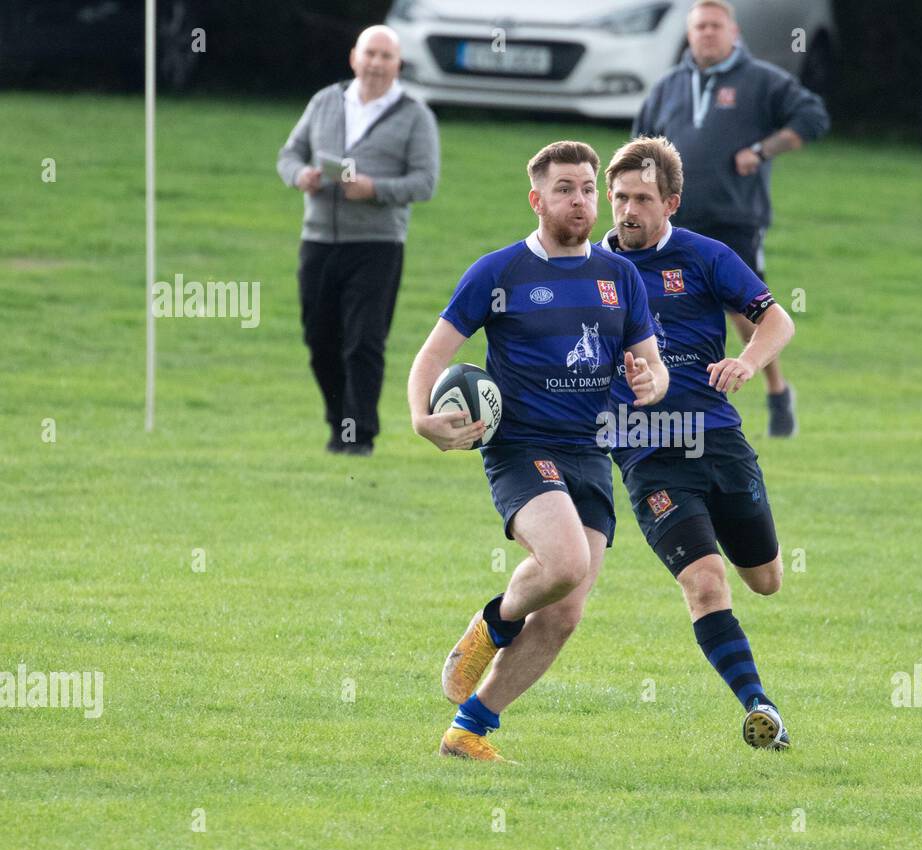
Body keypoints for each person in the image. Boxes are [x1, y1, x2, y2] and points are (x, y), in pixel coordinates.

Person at [408, 141, 668, 762]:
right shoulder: (499, 272)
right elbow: (431, 355)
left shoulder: (619, 276)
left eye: (585, 189)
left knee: (563, 616)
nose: (578, 201)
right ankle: (491, 626)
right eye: (564, 190)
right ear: (537, 199)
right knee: (563, 564)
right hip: (521, 447)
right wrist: (423, 419)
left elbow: (653, 371)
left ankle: (469, 730)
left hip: (589, 452)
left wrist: (648, 384)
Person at [600, 136, 796, 749]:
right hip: (645, 449)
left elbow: (776, 319)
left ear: (672, 203)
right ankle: (759, 707)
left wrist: (746, 361)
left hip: (717, 440)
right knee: (706, 582)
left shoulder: (705, 256)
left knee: (764, 580)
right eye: (619, 197)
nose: (628, 211)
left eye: (642, 199)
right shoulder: (586, 269)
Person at [633, 0, 828, 438]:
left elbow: (813, 117)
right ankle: (675, 398)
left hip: (734, 216)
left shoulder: (761, 81)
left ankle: (776, 391)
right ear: (689, 33)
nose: (706, 33)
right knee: (666, 308)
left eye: (715, 26)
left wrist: (762, 151)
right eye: (699, 26)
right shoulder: (667, 86)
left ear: (733, 32)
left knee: (746, 311)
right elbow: (639, 147)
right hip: (673, 223)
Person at [277, 25, 439, 456]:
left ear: (397, 64)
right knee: (319, 339)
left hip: (377, 243)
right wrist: (301, 176)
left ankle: (360, 436)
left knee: (364, 341)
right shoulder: (325, 101)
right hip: (318, 239)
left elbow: (425, 182)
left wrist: (375, 189)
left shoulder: (414, 114)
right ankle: (339, 424)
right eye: (370, 54)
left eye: (386, 56)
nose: (377, 63)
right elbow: (288, 154)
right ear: (354, 57)